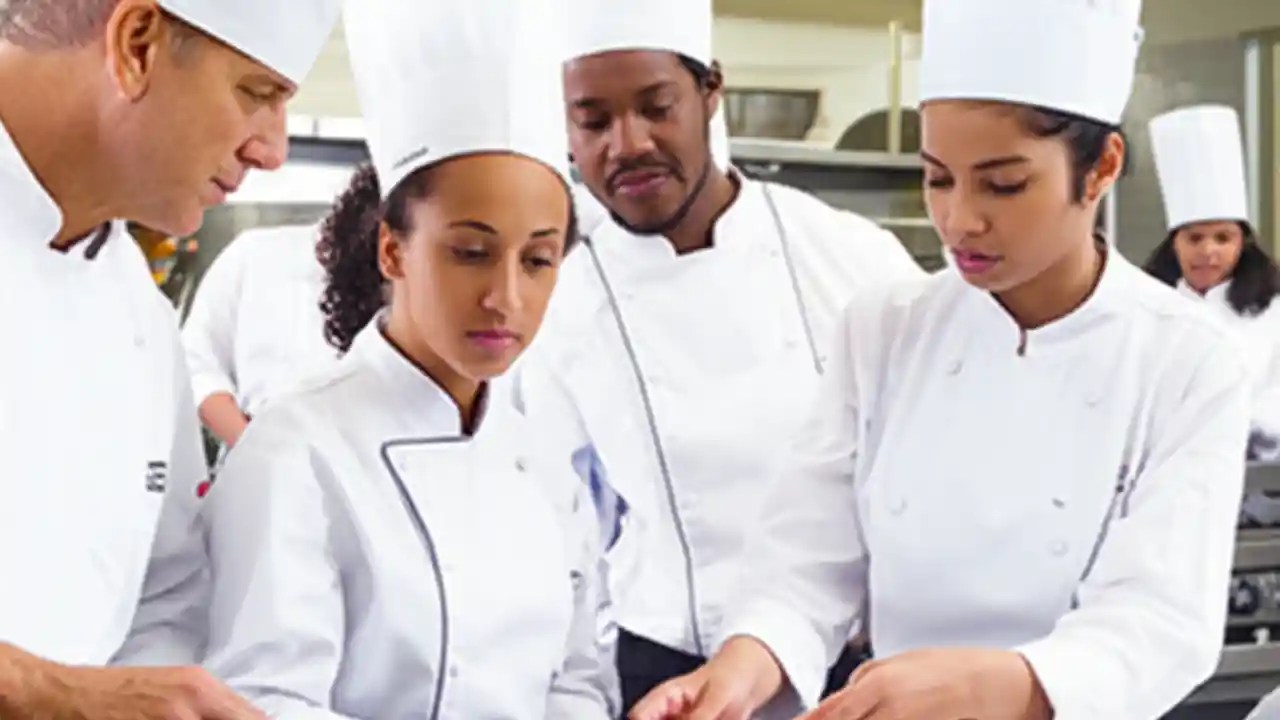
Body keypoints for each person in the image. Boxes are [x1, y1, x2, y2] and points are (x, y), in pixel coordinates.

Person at [632, 0, 1251, 718]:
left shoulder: (1187, 359)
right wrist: (741, 668)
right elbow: (805, 562)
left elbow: (1160, 621)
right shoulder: (886, 328)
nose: (959, 219)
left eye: (1003, 183)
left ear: (1101, 167)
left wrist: (1008, 684)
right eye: (937, 178)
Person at [195, 1, 613, 717]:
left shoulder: (544, 460)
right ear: (393, 250)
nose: (505, 298)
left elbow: (578, 682)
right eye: (471, 253)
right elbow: (263, 702)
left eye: (539, 259)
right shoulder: (296, 450)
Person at [516, 0, 924, 712]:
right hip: (664, 669)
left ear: (711, 94)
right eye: (593, 120)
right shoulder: (556, 299)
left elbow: (926, 458)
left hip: (855, 665)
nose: (628, 143)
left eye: (656, 107)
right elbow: (555, 529)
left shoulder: (845, 252)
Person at [0, 1, 338, 718]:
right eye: (257, 93)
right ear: (139, 43)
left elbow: (164, 595)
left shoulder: (144, 324)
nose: (272, 151)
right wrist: (52, 696)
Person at [1144, 105, 1280, 461]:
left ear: (1242, 242)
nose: (1208, 251)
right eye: (1195, 238)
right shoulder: (1147, 308)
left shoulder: (1272, 310)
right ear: (1174, 242)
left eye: (1223, 238)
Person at [182, 223, 342, 450]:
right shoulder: (254, 253)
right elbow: (197, 364)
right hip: (254, 451)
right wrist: (249, 444)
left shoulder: (401, 275)